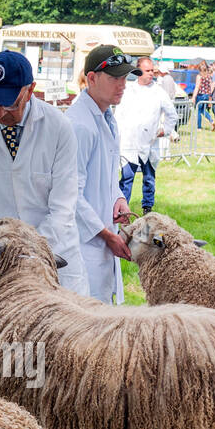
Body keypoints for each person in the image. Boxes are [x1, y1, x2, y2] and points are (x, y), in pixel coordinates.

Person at [0, 51, 87, 296]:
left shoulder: (58, 127)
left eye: (10, 103)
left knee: (58, 329)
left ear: (30, 90)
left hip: (53, 255)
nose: (0, 113)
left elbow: (63, 205)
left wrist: (29, 252)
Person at [65, 44, 137, 303]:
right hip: (83, 242)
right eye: (115, 78)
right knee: (87, 311)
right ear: (92, 78)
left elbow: (107, 176)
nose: (123, 85)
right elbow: (70, 192)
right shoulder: (79, 125)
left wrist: (118, 197)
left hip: (101, 234)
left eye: (125, 78)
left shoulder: (107, 118)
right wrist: (106, 235)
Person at [114, 56, 177, 215]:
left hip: (149, 143)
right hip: (128, 143)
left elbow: (172, 115)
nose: (151, 74)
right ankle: (122, 209)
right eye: (147, 71)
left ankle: (147, 208)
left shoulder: (158, 92)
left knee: (149, 178)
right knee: (126, 178)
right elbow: (118, 115)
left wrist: (165, 130)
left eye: (152, 71)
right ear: (138, 71)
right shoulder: (127, 90)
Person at [193, 61, 214, 129]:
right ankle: (211, 121)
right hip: (207, 95)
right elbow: (211, 86)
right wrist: (210, 96)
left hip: (200, 95)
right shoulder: (209, 76)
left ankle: (199, 127)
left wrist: (193, 97)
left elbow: (197, 87)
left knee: (198, 111)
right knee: (203, 110)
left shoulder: (199, 76)